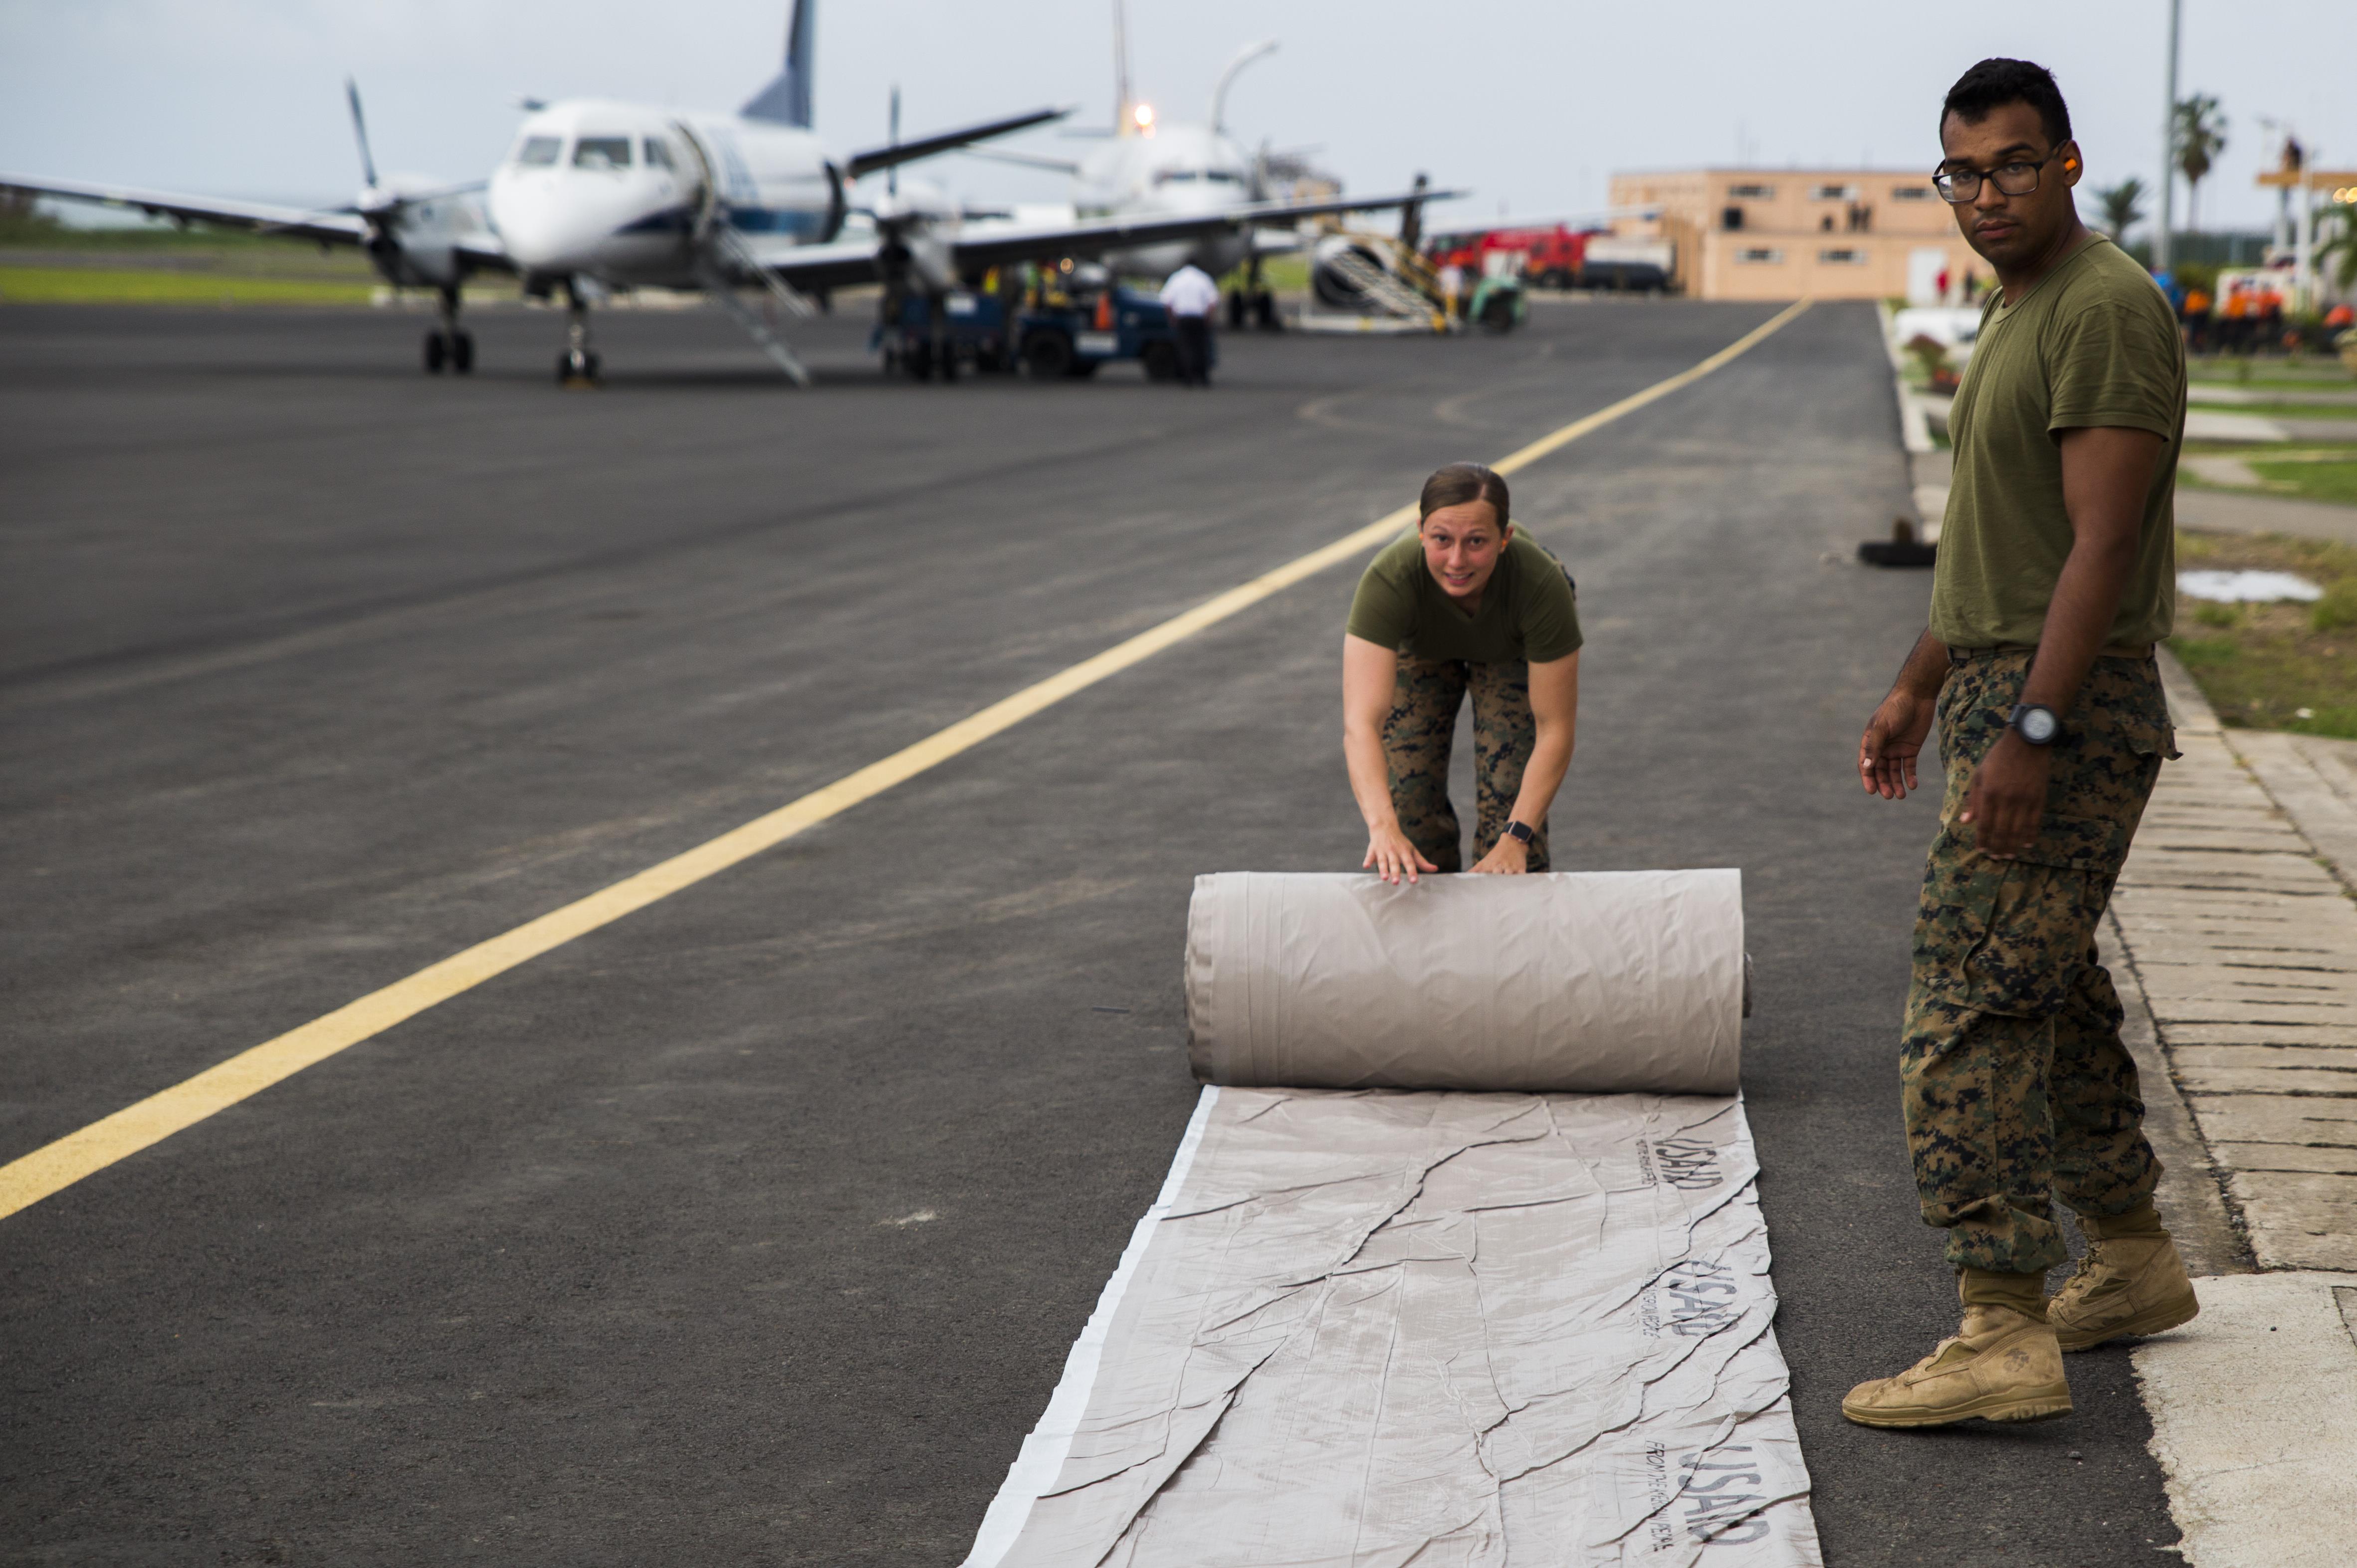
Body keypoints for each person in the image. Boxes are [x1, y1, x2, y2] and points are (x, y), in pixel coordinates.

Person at [1849, 57, 2197, 1430]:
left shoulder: (2101, 308)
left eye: (2008, 164)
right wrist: (1919, 683)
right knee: (2043, 993)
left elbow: (2101, 546)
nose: (1982, 194)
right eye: (1959, 172)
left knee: (1963, 1009)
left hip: (2062, 705)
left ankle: (1999, 1324)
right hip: (1999, 684)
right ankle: (2125, 1257)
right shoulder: (2017, 308)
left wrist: (2031, 732)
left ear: (2062, 160)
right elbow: (2005, 542)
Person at [1342, 463, 1581, 883]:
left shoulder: (1540, 585)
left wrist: (1517, 838)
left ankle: (1514, 938)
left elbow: (1554, 729)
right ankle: (1424, 937)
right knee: (1406, 811)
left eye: (1475, 542)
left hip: (1510, 649)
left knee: (1509, 812)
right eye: (1441, 540)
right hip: (1423, 648)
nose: (1456, 560)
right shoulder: (1389, 579)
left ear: (1504, 539)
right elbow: (1362, 725)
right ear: (1420, 532)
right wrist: (1383, 829)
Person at [1158, 261, 1220, 387]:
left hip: (1183, 317)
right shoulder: (1203, 278)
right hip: (1199, 317)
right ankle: (1203, 377)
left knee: (1185, 348)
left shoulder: (1176, 278)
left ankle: (1188, 377)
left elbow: (1166, 301)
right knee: (1201, 347)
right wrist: (1209, 317)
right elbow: (1213, 301)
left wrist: (1172, 318)